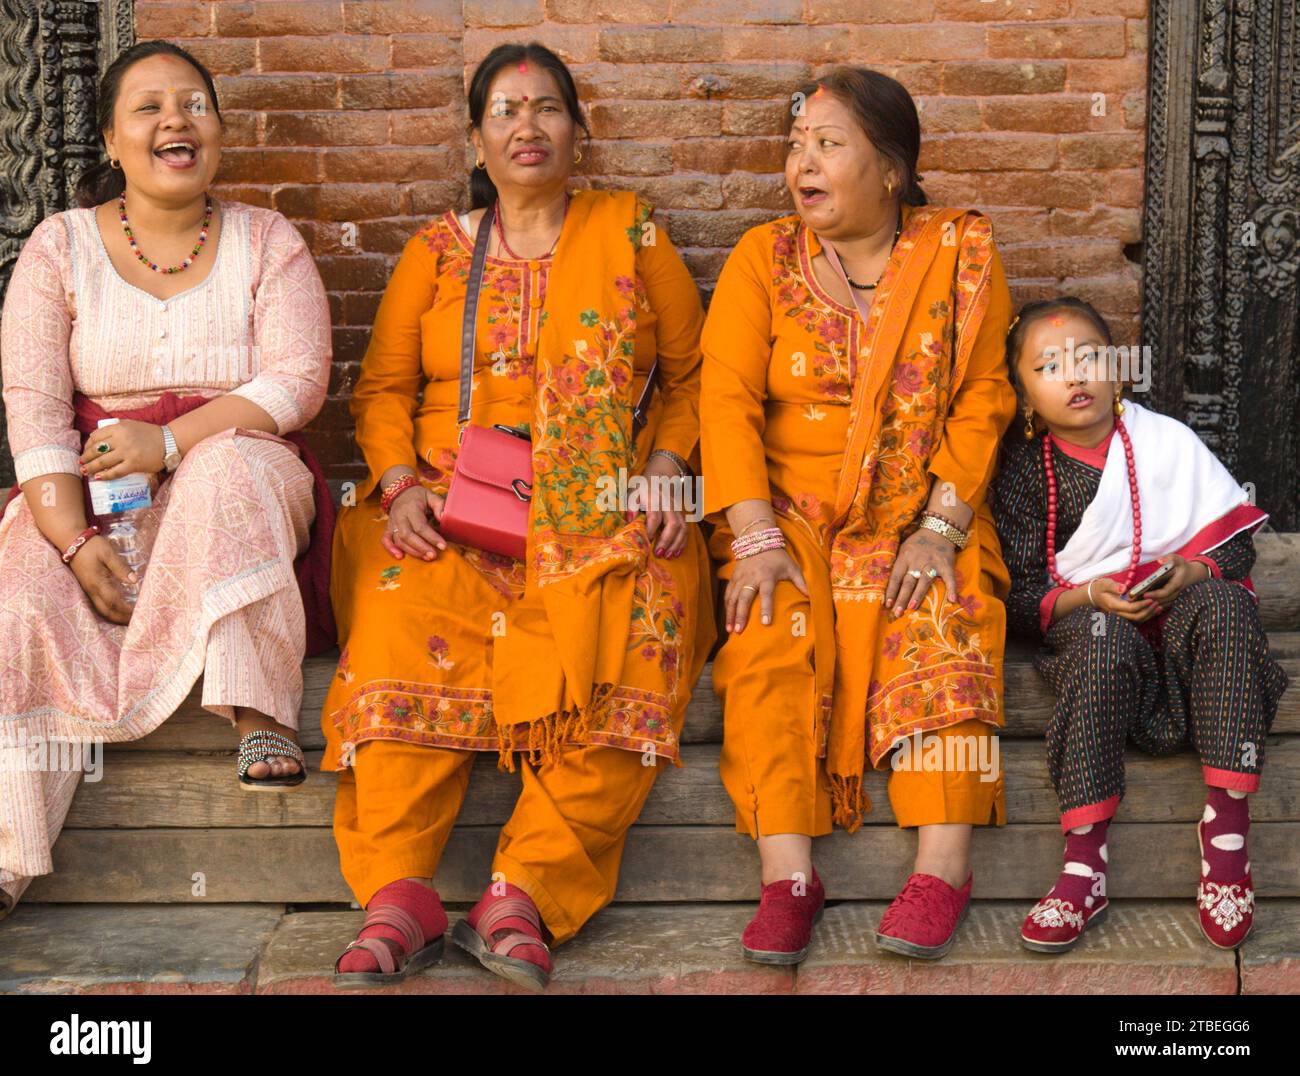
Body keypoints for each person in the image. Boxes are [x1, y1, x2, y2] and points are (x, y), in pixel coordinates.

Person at [322, 42, 714, 990]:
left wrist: (665, 471)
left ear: (580, 132)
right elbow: (382, 390)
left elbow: (695, 376)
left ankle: (524, 891)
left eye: (546, 108)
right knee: (398, 608)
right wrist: (400, 488)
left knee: (651, 613)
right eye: (504, 110)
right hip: (445, 507)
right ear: (476, 139)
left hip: (604, 507)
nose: (526, 126)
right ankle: (400, 893)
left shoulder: (631, 232)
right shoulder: (436, 251)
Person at [0, 41, 334, 916]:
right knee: (22, 585)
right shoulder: (58, 247)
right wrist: (73, 543)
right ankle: (5, 851)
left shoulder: (268, 239)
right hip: (94, 495)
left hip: (239, 470)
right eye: (148, 107)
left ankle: (258, 709)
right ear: (111, 141)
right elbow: (35, 409)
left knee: (225, 469)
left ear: (217, 130)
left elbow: (298, 381)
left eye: (193, 104)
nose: (175, 120)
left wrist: (171, 443)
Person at [700, 66, 1016, 964]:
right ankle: (789, 877)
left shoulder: (960, 253)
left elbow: (984, 398)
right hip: (788, 522)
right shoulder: (763, 257)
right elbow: (725, 401)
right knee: (766, 629)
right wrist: (755, 536)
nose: (802, 163)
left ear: (891, 168)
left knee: (946, 613)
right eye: (796, 145)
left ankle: (943, 869)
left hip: (923, 513)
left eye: (827, 145)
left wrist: (940, 528)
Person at [990, 296, 1289, 951]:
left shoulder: (1166, 443)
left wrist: (1190, 570)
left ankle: (1227, 835)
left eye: (1089, 357)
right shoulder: (1025, 474)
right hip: (1095, 639)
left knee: (1227, 602)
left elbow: (1236, 549)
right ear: (1024, 395)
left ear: (1119, 370)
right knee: (1103, 640)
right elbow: (1017, 594)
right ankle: (1084, 866)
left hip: (1187, 639)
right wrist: (1089, 596)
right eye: (1048, 365)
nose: (1075, 375)